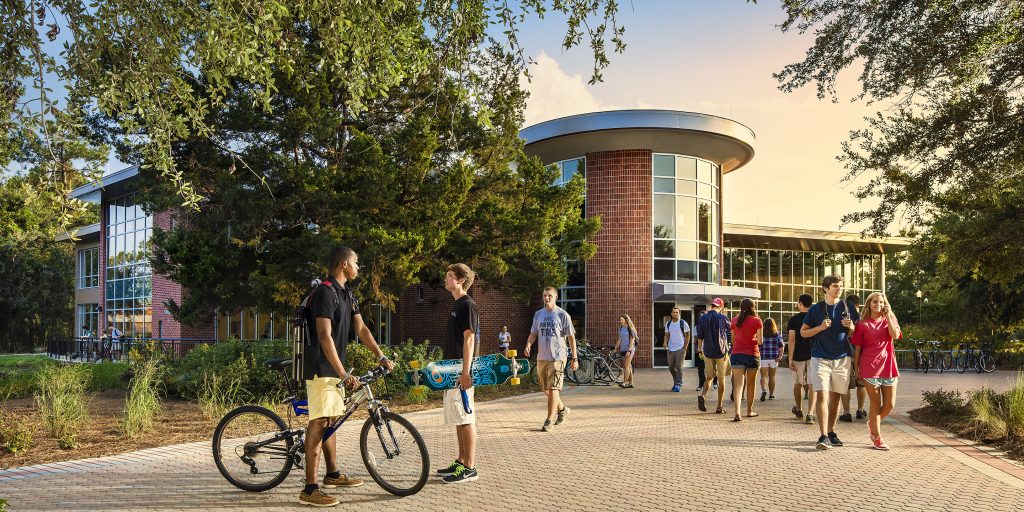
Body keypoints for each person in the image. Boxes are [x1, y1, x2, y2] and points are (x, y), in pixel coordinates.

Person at [299, 245, 394, 507]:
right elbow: (323, 335)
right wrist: (342, 372)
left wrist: (380, 355)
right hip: (322, 368)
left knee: (331, 420)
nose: (358, 267)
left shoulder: (347, 294)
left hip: (335, 369)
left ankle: (332, 474)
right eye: (356, 263)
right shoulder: (325, 292)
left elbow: (361, 328)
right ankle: (309, 489)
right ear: (343, 264)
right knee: (319, 423)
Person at [800, 275, 858, 450]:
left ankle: (832, 433)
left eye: (840, 286)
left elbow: (857, 335)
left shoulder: (848, 307)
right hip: (820, 358)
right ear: (825, 288)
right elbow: (803, 333)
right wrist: (820, 328)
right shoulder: (816, 309)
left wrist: (852, 328)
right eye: (835, 286)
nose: (838, 288)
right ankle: (823, 435)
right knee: (822, 395)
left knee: (836, 398)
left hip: (842, 359)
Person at [435, 263, 481, 484]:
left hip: (461, 372)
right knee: (458, 418)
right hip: (452, 369)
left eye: (450, 275)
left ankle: (470, 467)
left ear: (461, 280)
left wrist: (466, 372)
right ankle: (461, 461)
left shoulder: (467, 305)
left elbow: (469, 338)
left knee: (466, 417)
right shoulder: (457, 304)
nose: (446, 278)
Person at [851, 292, 901, 450]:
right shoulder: (862, 324)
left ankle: (872, 422)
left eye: (880, 302)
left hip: (889, 366)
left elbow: (894, 335)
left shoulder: (890, 320)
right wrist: (856, 368)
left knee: (890, 404)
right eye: (874, 302)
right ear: (869, 304)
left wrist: (888, 316)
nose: (877, 304)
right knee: (875, 403)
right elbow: (857, 349)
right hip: (869, 367)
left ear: (884, 304)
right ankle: (877, 437)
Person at [525, 287, 578, 431]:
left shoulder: (562, 315)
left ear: (556, 297)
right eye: (544, 295)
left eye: (549, 295)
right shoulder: (538, 315)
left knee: (553, 388)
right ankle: (562, 410)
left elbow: (571, 337)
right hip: (542, 357)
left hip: (558, 357)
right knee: (546, 389)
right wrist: (528, 344)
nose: (546, 298)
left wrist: (574, 357)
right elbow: (533, 333)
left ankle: (549, 420)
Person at [729, 299, 763, 421]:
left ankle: (737, 412)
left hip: (737, 354)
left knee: (738, 385)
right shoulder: (757, 320)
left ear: (741, 307)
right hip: (752, 355)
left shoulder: (734, 320)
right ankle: (749, 411)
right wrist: (751, 339)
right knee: (751, 384)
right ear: (753, 307)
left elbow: (732, 341)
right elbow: (760, 341)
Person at [697, 298, 731, 414]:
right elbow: (731, 331)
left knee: (709, 377)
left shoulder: (702, 318)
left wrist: (700, 350)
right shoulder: (723, 318)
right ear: (720, 307)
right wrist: (730, 346)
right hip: (721, 352)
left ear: (711, 306)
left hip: (707, 351)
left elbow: (700, 336)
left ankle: (702, 395)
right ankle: (719, 406)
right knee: (721, 379)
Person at [788, 294, 817, 423]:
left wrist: (790, 358)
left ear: (800, 303)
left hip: (798, 356)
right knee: (812, 385)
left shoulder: (793, 319)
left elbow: (791, 340)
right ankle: (810, 413)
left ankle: (799, 408)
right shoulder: (815, 318)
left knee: (798, 384)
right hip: (813, 355)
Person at [840, 294, 867, 422]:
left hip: (846, 354)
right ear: (858, 304)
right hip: (861, 354)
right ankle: (860, 410)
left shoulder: (844, 316)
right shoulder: (863, 319)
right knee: (861, 385)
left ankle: (847, 412)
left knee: (845, 385)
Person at [662, 308, 690, 392]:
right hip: (670, 348)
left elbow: (688, 335)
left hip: (680, 348)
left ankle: (679, 384)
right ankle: (676, 381)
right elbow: (666, 335)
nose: (675, 314)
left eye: (677, 312)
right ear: (671, 313)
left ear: (679, 314)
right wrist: (665, 342)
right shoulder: (668, 323)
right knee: (671, 367)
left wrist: (685, 347)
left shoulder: (683, 323)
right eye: (673, 312)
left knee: (679, 367)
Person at [758, 317, 784, 401]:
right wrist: (780, 356)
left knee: (764, 376)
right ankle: (771, 395)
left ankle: (764, 390)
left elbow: (758, 345)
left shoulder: (761, 334)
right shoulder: (777, 334)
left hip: (763, 358)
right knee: (772, 376)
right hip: (774, 358)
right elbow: (781, 346)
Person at [617, 314, 639, 388]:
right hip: (623, 349)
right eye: (620, 320)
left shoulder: (631, 329)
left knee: (626, 365)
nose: (620, 321)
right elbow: (619, 339)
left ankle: (624, 382)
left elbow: (632, 340)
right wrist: (616, 348)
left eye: (622, 320)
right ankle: (631, 383)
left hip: (630, 349)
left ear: (626, 320)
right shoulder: (621, 328)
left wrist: (629, 350)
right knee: (628, 365)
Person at [692, 310, 707, 391]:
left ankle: (715, 381)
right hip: (701, 351)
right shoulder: (696, 327)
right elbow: (695, 340)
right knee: (700, 369)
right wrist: (697, 350)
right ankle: (701, 384)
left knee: (712, 369)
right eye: (700, 316)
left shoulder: (710, 326)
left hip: (709, 351)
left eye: (703, 315)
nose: (701, 317)